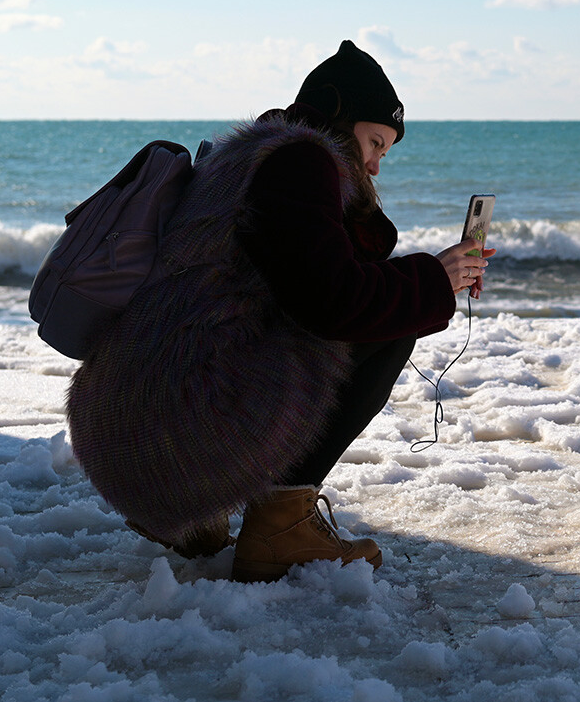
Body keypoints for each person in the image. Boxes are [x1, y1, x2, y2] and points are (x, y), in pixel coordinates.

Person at [66, 40, 493, 582]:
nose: (376, 166)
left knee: (367, 301)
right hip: (173, 436)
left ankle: (202, 515)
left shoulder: (244, 159)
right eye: (375, 142)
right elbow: (332, 302)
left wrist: (425, 274)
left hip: (127, 434)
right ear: (339, 122)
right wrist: (435, 280)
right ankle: (281, 526)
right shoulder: (302, 162)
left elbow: (302, 276)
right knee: (385, 326)